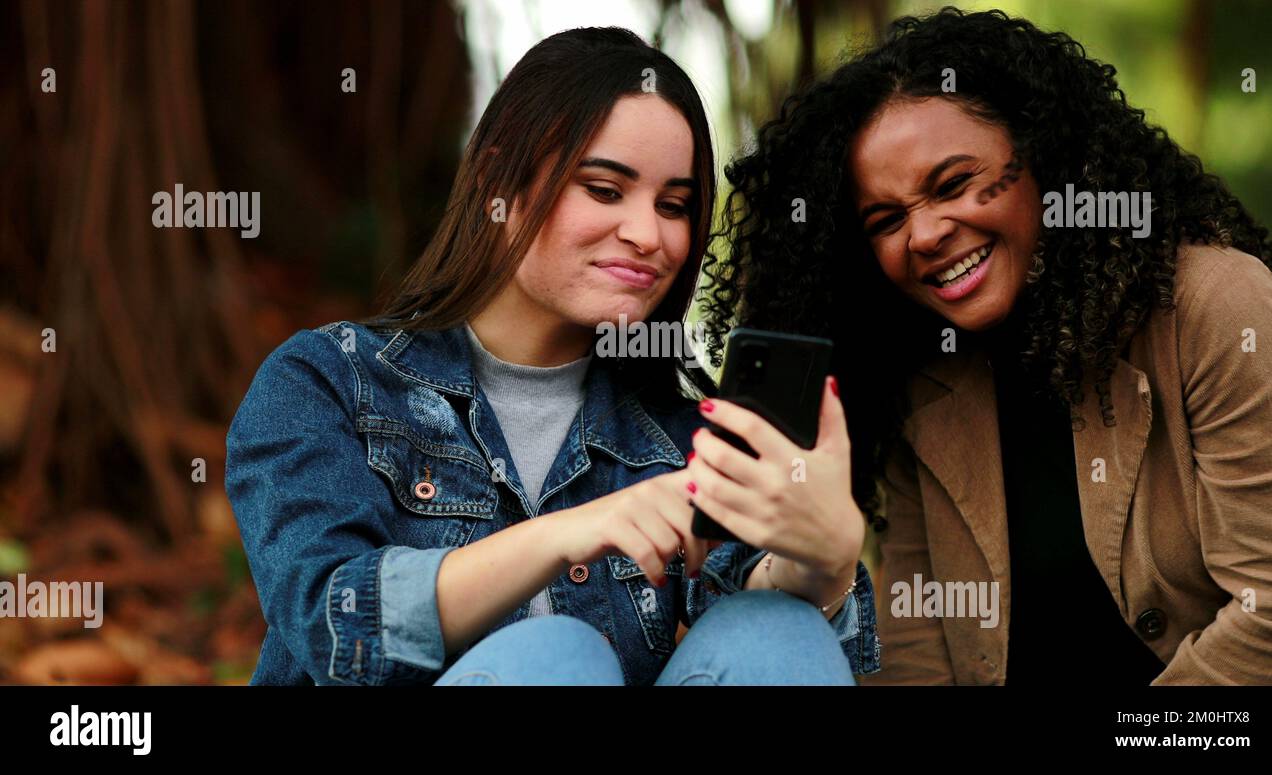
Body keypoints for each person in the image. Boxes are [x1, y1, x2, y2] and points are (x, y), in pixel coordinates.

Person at [225, 26, 879, 686]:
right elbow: (334, 620)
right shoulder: (328, 380)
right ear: (495, 184)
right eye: (603, 188)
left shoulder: (678, 439)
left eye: (674, 205)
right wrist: (568, 532)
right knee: (557, 655)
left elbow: (746, 606)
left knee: (779, 627)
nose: (648, 235)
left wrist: (820, 558)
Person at [699, 8, 1272, 684]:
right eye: (887, 219)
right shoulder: (923, 384)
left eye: (953, 184)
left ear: (1047, 157)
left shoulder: (1214, 306)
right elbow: (917, 657)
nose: (923, 234)